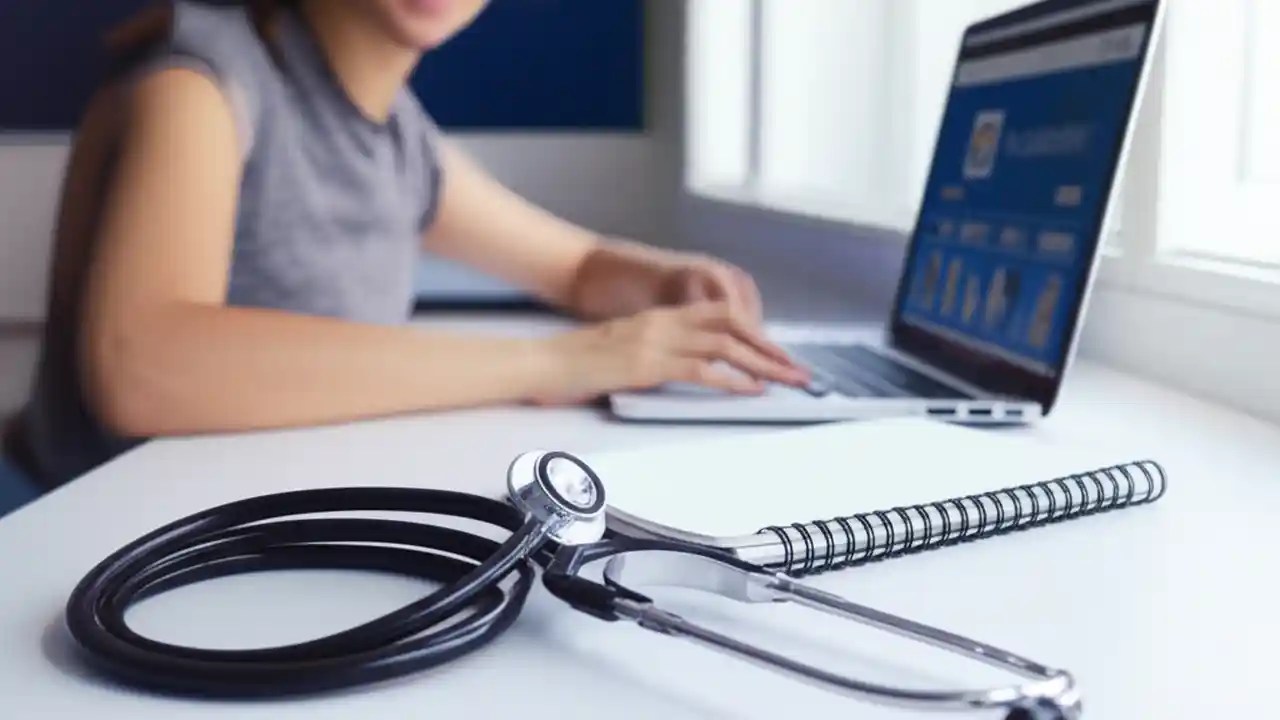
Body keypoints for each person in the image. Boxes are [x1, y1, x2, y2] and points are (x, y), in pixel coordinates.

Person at [5, 0, 809, 490]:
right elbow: (143, 365)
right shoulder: (197, 84)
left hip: (209, 515)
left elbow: (575, 266)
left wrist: (674, 279)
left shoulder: (398, 140)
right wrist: (561, 362)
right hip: (65, 529)